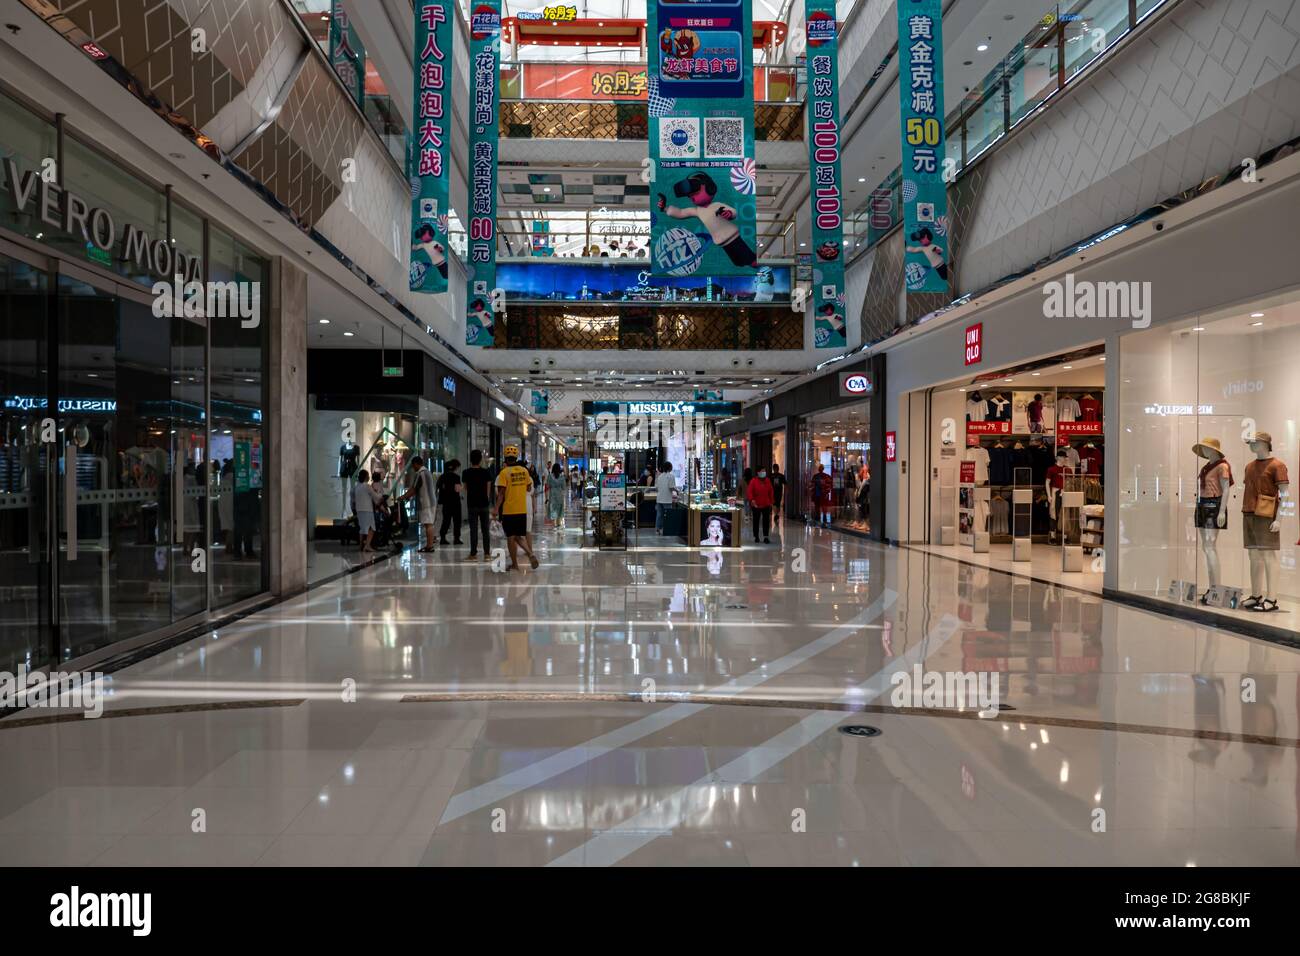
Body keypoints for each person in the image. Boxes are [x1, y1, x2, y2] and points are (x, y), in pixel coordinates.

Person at [495, 445, 539, 570]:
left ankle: (515, 564)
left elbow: (501, 494)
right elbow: (529, 488)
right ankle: (530, 554)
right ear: (516, 457)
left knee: (510, 538)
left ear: (505, 458)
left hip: (509, 510)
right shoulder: (524, 471)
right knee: (519, 536)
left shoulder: (504, 473)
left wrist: (496, 509)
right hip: (522, 509)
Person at [399, 456, 437, 552]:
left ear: (416, 464)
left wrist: (403, 497)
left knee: (428, 524)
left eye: (413, 465)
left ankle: (429, 546)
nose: (413, 467)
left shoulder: (420, 474)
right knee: (429, 524)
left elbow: (413, 489)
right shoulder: (427, 472)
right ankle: (430, 545)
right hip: (431, 501)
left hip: (426, 502)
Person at [461, 449, 493, 561]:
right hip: (484, 504)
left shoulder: (465, 472)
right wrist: (486, 498)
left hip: (472, 504)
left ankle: (473, 554)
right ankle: (487, 554)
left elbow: (465, 488)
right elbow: (488, 489)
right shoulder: (486, 472)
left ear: (470, 459)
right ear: (480, 460)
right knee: (485, 530)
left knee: (473, 529)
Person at [436, 458, 463, 546]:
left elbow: (438, 488)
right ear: (455, 468)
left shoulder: (442, 477)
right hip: (455, 501)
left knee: (446, 520)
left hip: (446, 502)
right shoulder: (456, 477)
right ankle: (456, 538)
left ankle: (443, 538)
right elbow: (457, 489)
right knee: (457, 520)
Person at [353, 468, 380, 552]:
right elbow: (375, 496)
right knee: (372, 528)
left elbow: (353, 500)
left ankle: (361, 545)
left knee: (362, 528)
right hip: (367, 510)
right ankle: (367, 545)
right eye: (368, 475)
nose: (369, 477)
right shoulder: (367, 486)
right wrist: (380, 495)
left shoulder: (356, 487)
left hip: (359, 510)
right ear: (365, 477)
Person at [747, 467, 775, 543]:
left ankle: (766, 536)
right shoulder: (753, 481)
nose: (764, 472)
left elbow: (771, 491)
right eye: (762, 471)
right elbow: (749, 491)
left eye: (764, 471)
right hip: (756, 504)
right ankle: (756, 536)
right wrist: (752, 500)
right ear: (758, 473)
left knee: (766, 521)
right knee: (756, 520)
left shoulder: (768, 481)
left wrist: (771, 502)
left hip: (766, 504)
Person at [654, 460, 677, 533]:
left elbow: (657, 487)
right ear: (670, 468)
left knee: (659, 514)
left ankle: (658, 528)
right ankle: (667, 529)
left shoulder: (660, 476)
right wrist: (677, 491)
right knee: (668, 515)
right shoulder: (671, 476)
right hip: (667, 499)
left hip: (659, 498)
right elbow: (671, 487)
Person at [546, 462, 567, 528]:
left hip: (552, 495)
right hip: (559, 495)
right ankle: (558, 523)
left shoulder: (550, 476)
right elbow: (564, 487)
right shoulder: (562, 477)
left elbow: (548, 485)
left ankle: (554, 523)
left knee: (553, 508)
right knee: (559, 509)